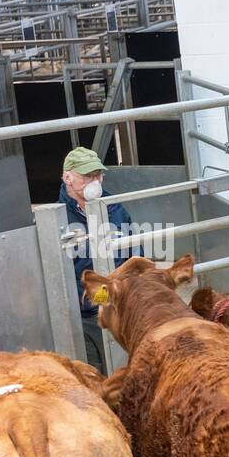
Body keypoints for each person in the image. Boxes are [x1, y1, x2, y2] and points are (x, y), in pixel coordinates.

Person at [59, 146, 132, 375]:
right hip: (85, 316)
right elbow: (61, 276)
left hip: (121, 305)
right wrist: (96, 299)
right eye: (87, 176)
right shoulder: (59, 218)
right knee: (94, 373)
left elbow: (132, 251)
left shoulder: (116, 208)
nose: (95, 182)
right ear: (68, 177)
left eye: (98, 175)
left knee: (128, 369)